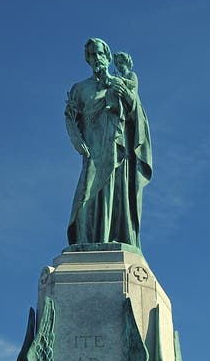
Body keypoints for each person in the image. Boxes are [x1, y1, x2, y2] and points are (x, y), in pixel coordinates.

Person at [65, 38, 152, 248]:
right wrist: (76, 140)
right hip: (93, 149)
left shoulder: (119, 82)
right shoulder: (80, 89)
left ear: (107, 56)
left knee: (117, 193)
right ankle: (86, 241)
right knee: (87, 193)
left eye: (100, 54)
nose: (97, 59)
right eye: (93, 55)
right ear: (88, 59)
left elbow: (137, 116)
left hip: (117, 148)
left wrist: (128, 98)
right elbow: (70, 116)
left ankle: (113, 237)